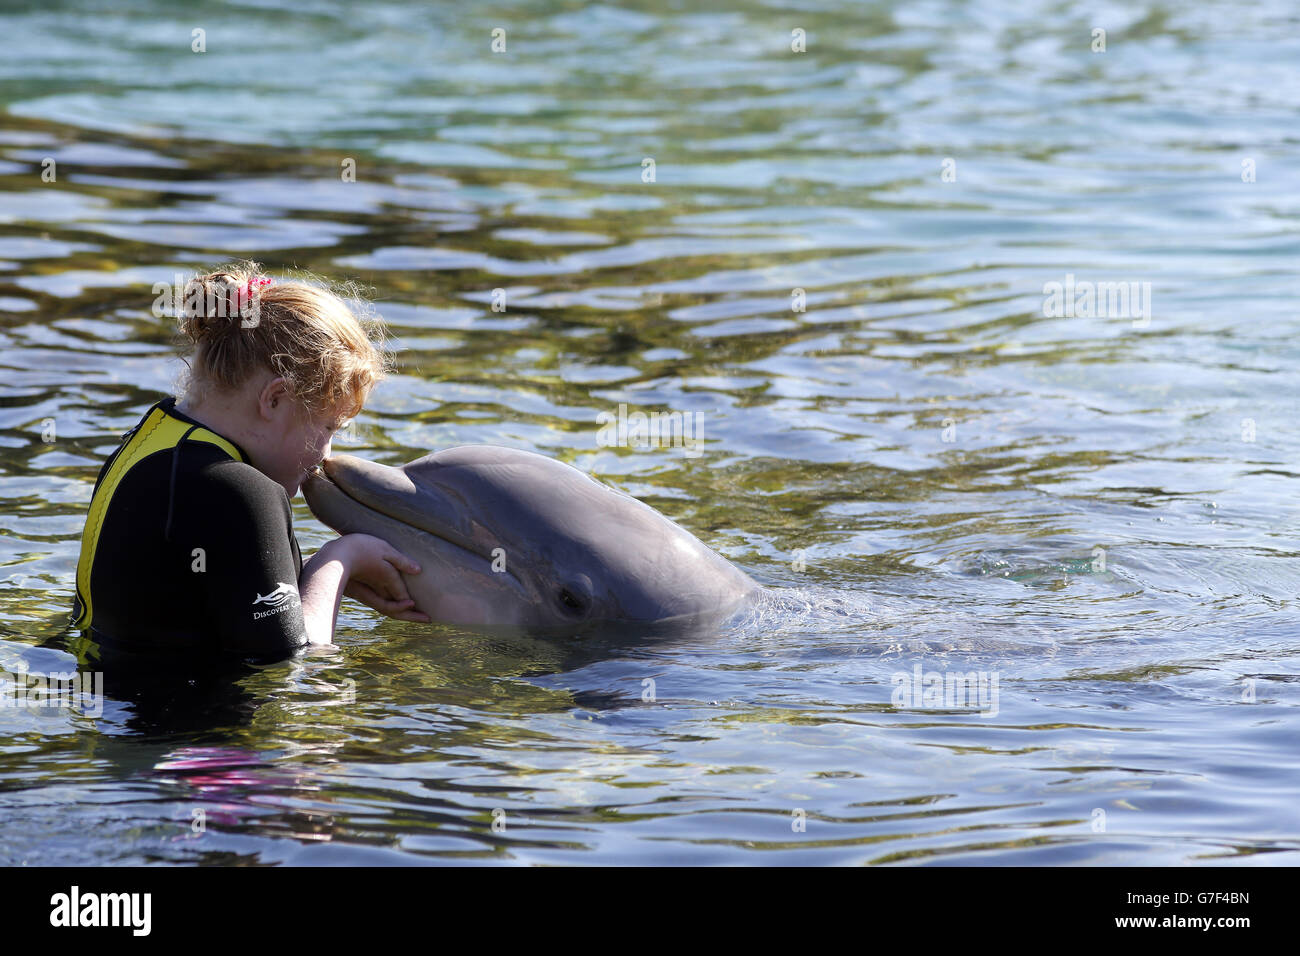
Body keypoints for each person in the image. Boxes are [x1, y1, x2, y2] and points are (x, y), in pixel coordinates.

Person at [69, 262, 429, 673]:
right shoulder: (240, 490)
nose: (326, 454)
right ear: (275, 398)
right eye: (328, 427)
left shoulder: (149, 439)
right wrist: (341, 559)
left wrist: (303, 576)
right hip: (198, 734)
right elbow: (293, 668)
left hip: (109, 706)